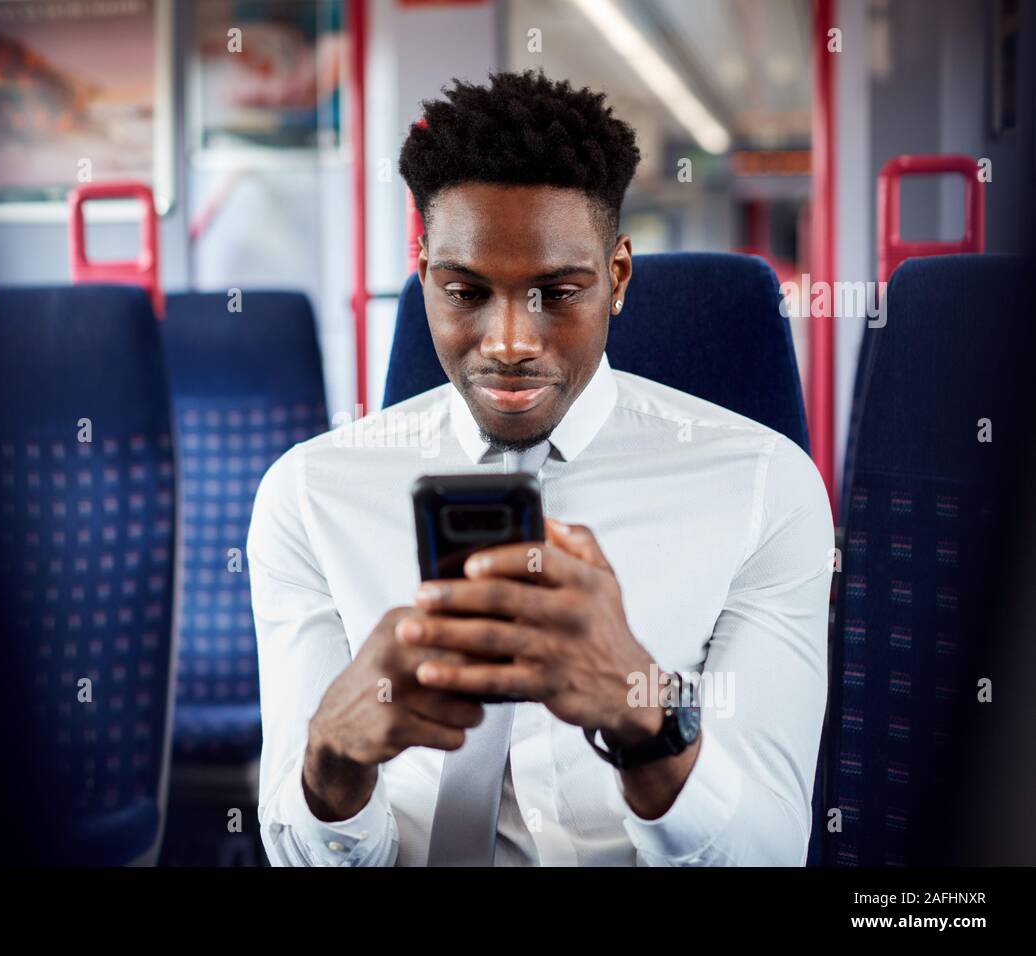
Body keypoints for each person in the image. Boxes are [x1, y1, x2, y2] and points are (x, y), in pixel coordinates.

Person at [248, 70, 834, 866]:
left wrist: (646, 718)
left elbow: (770, 853)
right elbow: (302, 850)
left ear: (618, 278)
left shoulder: (768, 488)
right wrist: (333, 766)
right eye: (466, 292)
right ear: (422, 274)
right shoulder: (309, 494)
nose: (511, 342)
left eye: (557, 293)